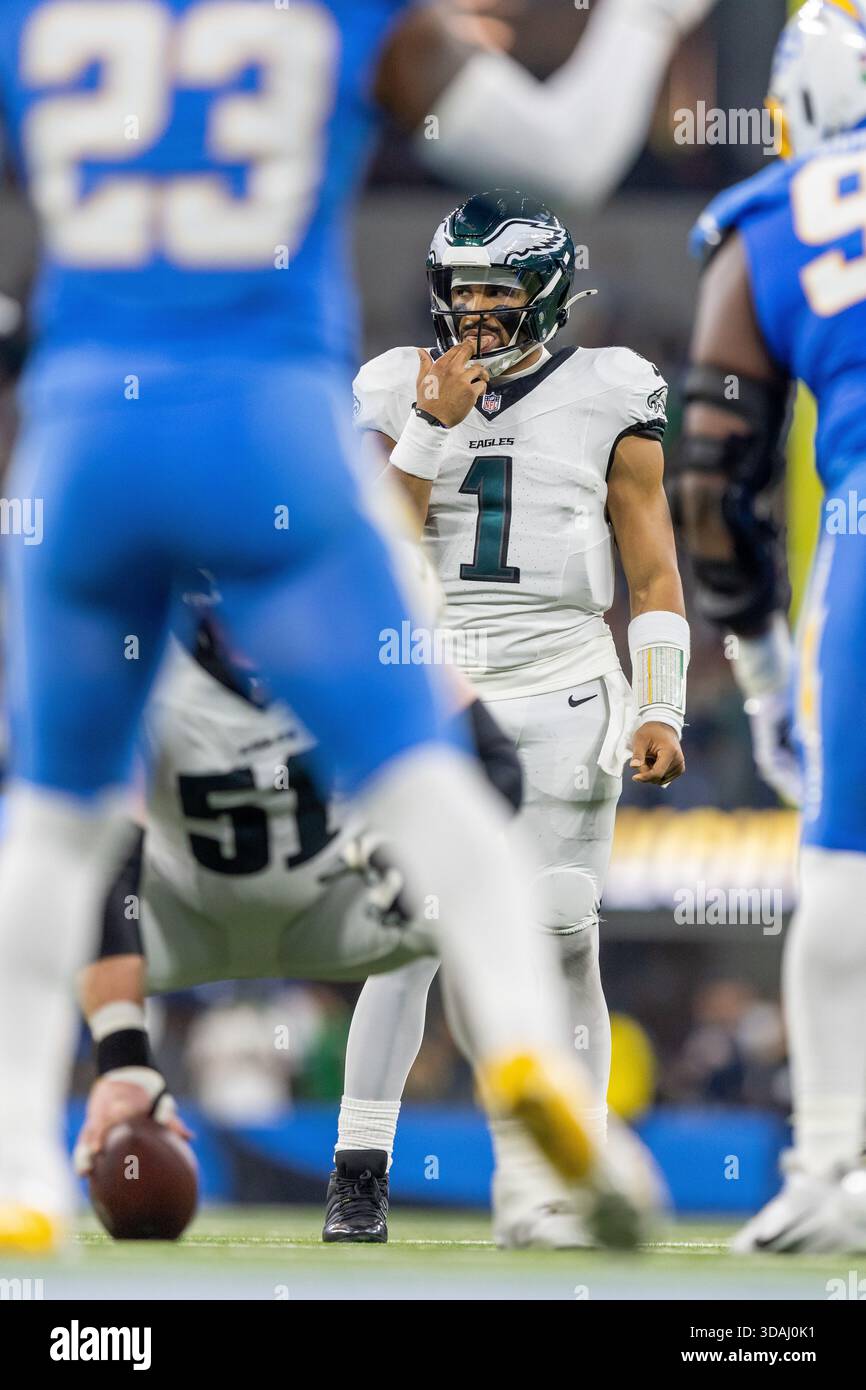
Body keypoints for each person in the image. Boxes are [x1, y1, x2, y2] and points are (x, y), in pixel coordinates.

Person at [0, 0, 716, 1251]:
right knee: (442, 804)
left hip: (82, 435)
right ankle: (540, 1085)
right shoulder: (336, 21)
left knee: (55, 822)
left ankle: (19, 1157)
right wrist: (649, 22)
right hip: (265, 422)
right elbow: (561, 154)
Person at [326, 190, 688, 1248]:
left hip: (566, 682)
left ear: (545, 294)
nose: (477, 307)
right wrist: (430, 428)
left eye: (497, 287)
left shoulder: (607, 393)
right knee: (405, 939)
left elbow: (653, 567)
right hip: (436, 686)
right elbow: (370, 549)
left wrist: (660, 700)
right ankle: (359, 1171)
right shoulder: (398, 387)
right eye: (462, 287)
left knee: (562, 930)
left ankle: (555, 1178)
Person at [679, 0, 866, 1252]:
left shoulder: (770, 221)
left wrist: (755, 660)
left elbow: (708, 478)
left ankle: (833, 1161)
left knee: (844, 864)